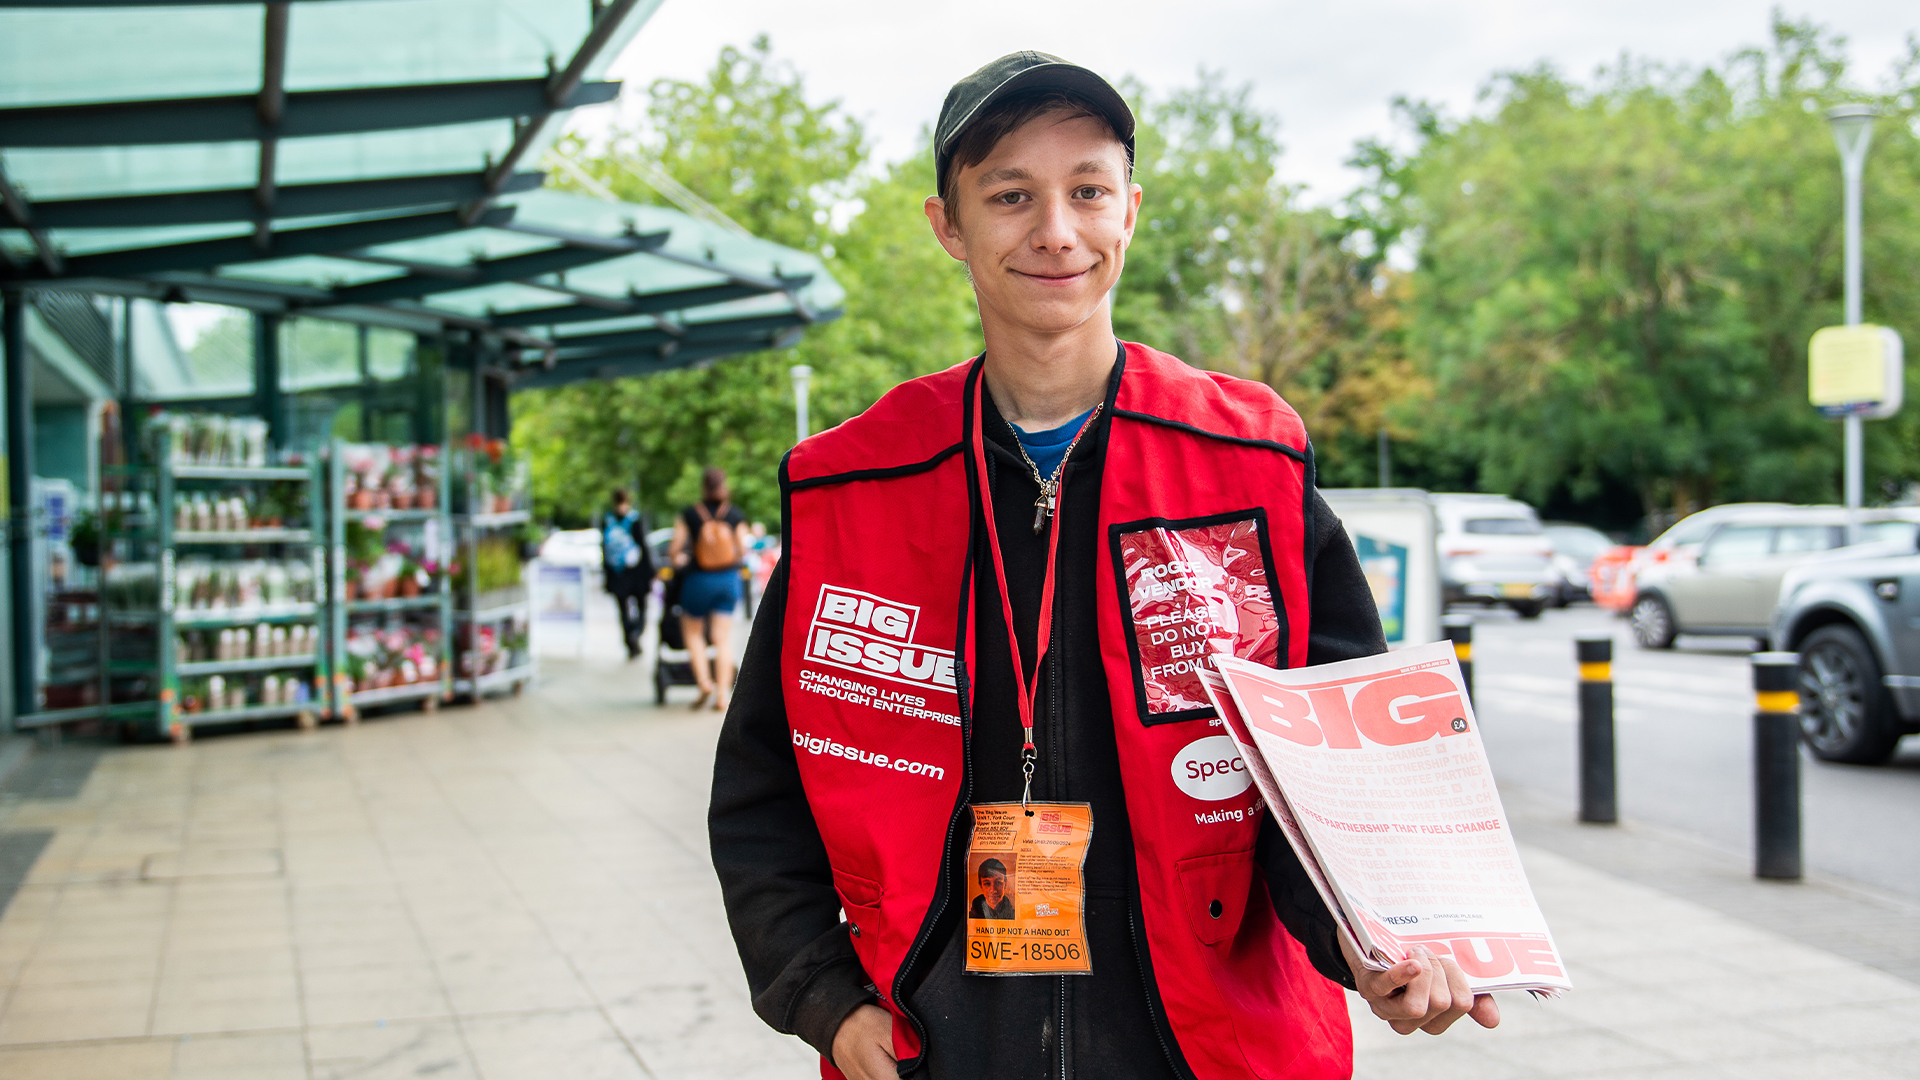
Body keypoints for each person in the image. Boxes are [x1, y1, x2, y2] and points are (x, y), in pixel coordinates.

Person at [709, 52, 1498, 1080]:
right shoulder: (854, 486)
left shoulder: (1249, 458)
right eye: (1009, 195)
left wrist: (1377, 942)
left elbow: (1336, 767)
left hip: (1210, 1046)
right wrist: (823, 998)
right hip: (943, 1046)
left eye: (1087, 189)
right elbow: (762, 787)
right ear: (948, 226)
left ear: (1130, 208)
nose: (1056, 230)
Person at [669, 467, 751, 711]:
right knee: (722, 638)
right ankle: (723, 696)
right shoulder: (735, 514)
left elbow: (675, 550)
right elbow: (743, 550)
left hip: (698, 581)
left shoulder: (689, 514)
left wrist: (681, 559)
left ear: (703, 486)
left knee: (693, 633)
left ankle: (704, 682)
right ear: (724, 485)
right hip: (728, 580)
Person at [601, 488, 653, 660]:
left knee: (623, 609)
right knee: (642, 606)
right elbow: (643, 547)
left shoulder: (607, 520)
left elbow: (603, 549)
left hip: (617, 573)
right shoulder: (634, 519)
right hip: (636, 572)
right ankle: (636, 633)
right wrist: (651, 572)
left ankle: (630, 643)